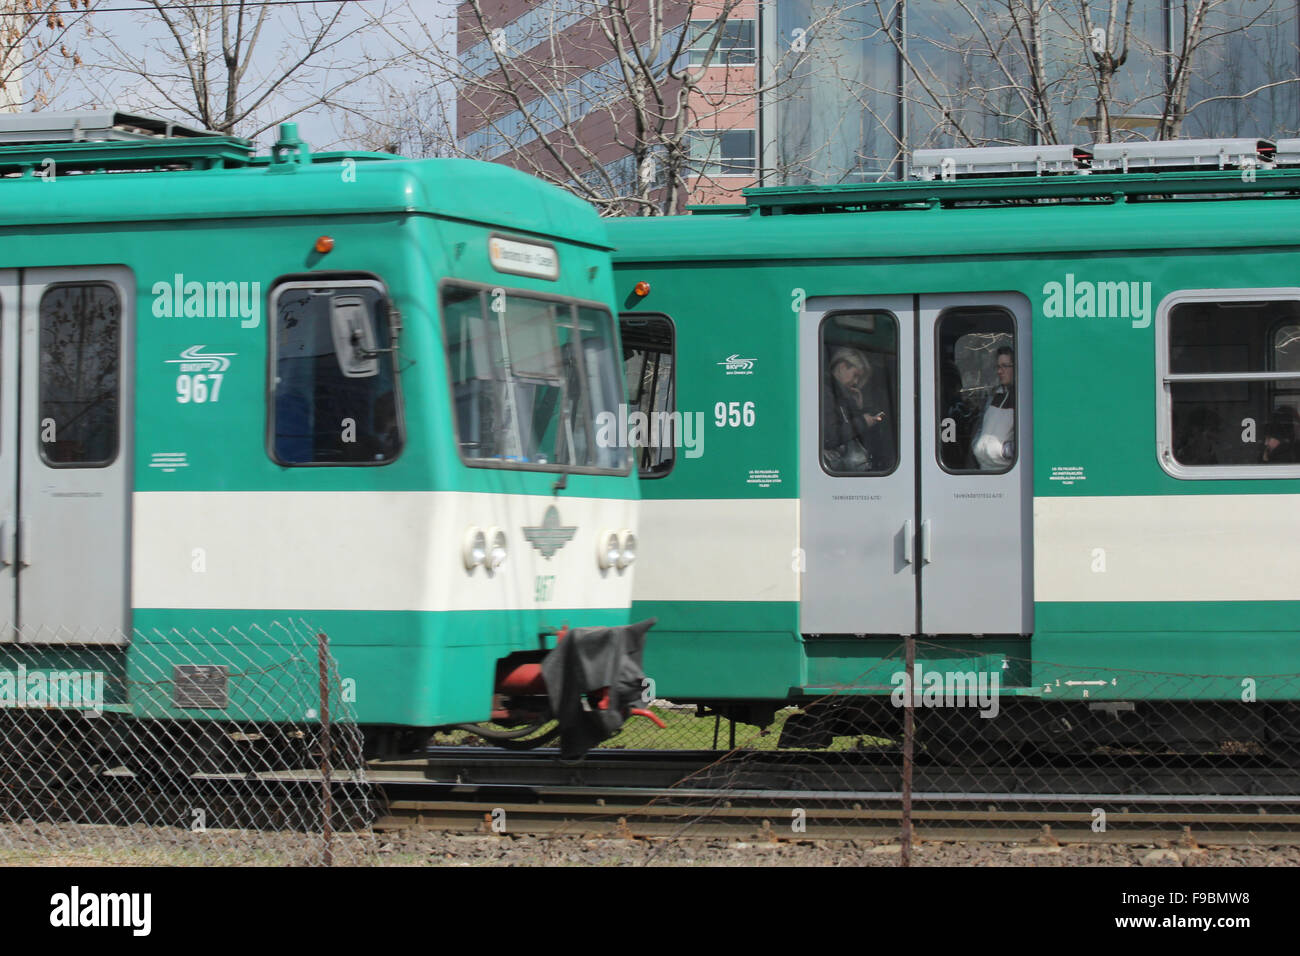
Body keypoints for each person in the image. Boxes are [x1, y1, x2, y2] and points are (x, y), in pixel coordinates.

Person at [823, 346, 889, 471]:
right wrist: (863, 422)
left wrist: (858, 408)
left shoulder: (841, 397)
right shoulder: (826, 393)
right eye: (855, 375)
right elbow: (830, 437)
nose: (855, 382)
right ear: (842, 367)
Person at [972, 346, 1015, 470]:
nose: (999, 371)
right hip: (983, 469)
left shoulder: (1021, 399)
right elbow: (980, 427)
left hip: (1007, 472)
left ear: (1016, 367)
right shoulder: (993, 396)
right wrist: (977, 446)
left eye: (1005, 366)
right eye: (998, 367)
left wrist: (1005, 451)